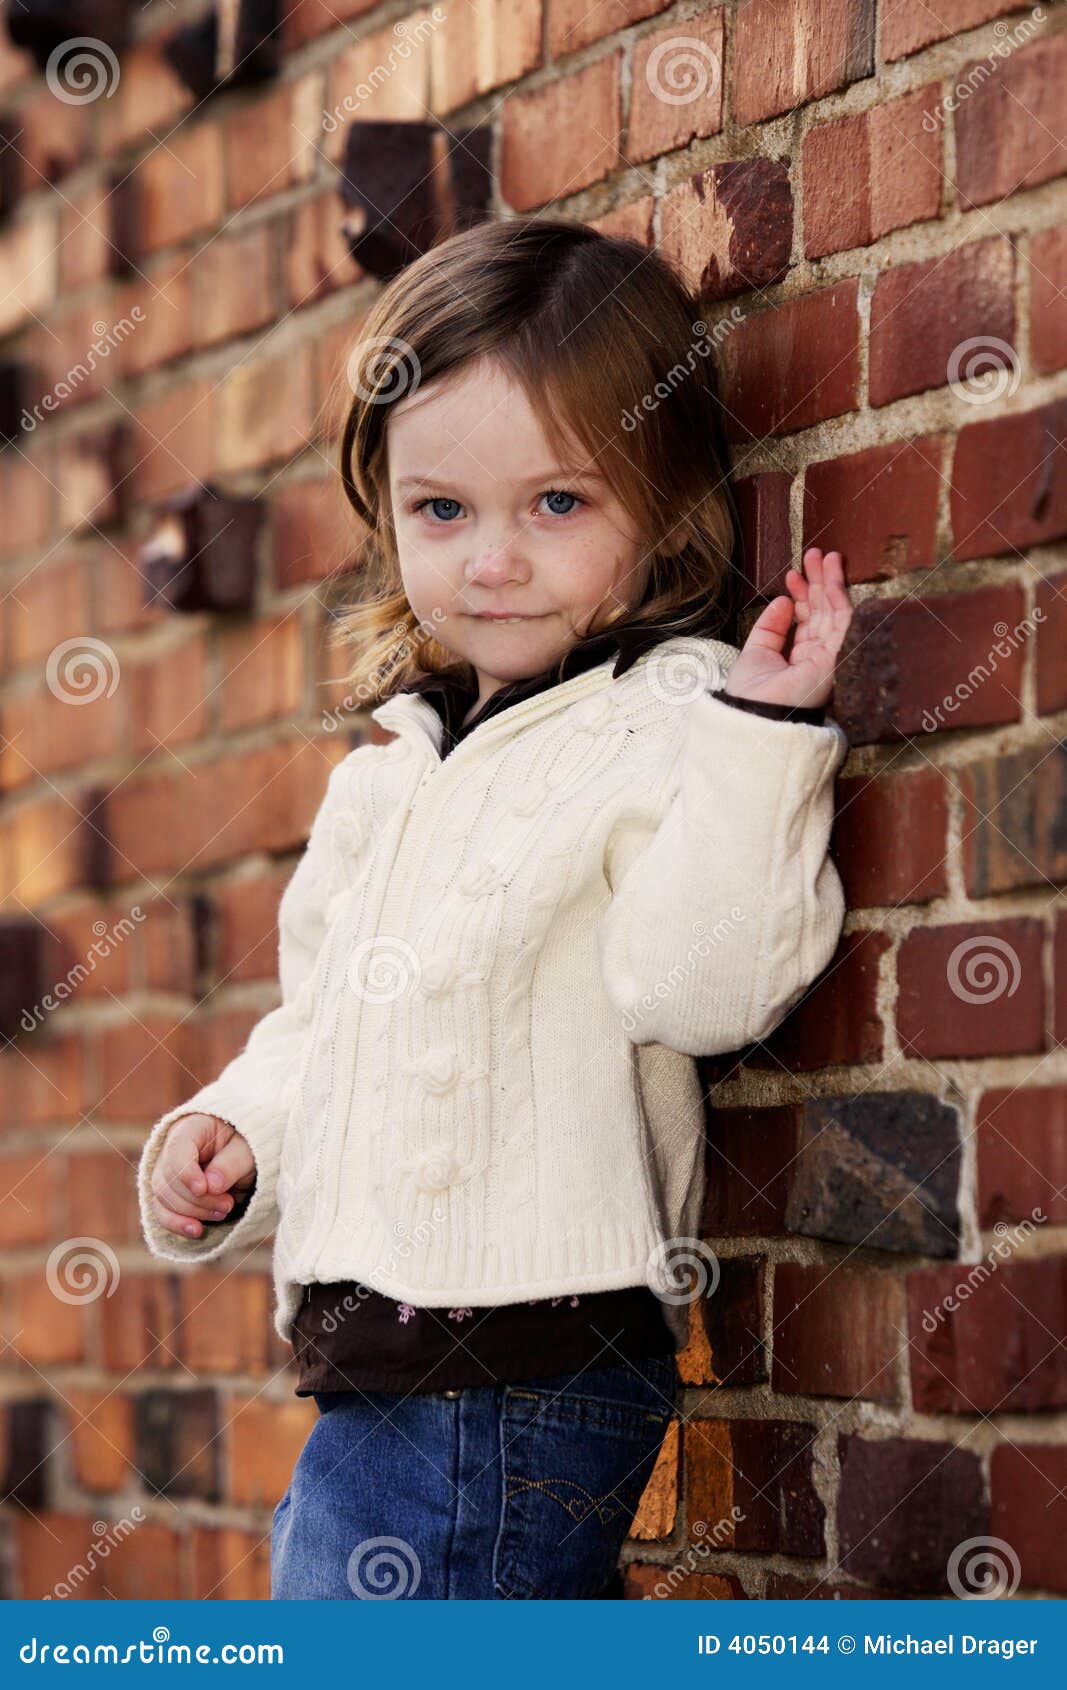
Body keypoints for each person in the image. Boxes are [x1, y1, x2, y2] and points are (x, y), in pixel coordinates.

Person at [137, 216, 854, 1600]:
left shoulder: (665, 722)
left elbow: (701, 987)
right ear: (389, 509)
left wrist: (764, 738)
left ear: (662, 508)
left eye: (559, 504)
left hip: (519, 1363)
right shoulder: (387, 778)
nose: (494, 559)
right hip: (374, 1368)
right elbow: (321, 1037)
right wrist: (229, 1138)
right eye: (443, 510)